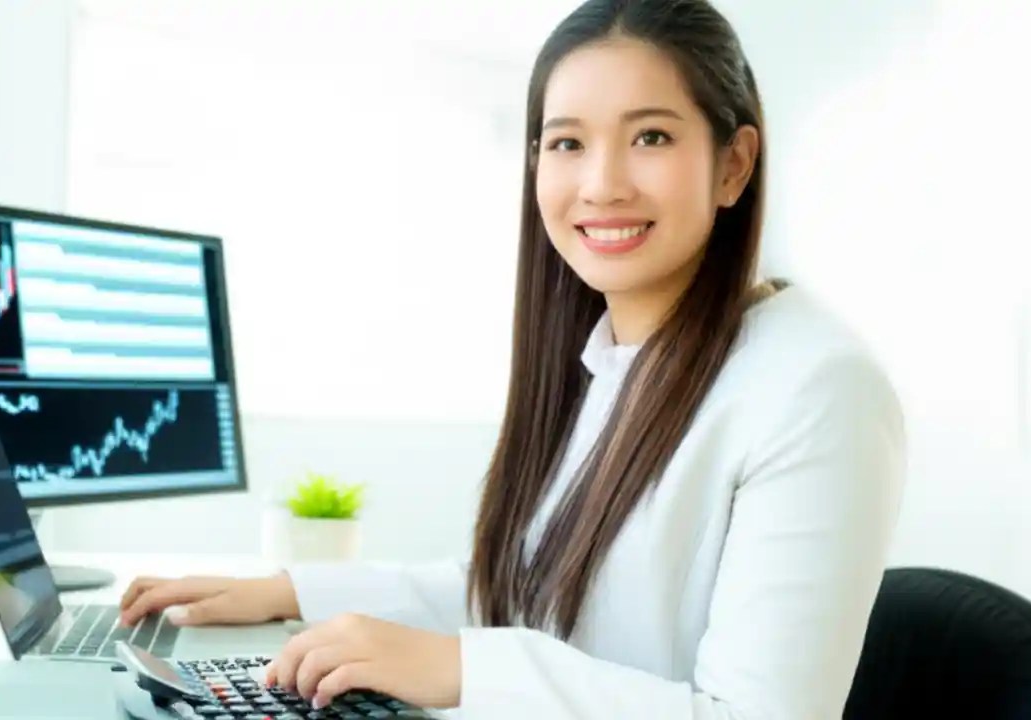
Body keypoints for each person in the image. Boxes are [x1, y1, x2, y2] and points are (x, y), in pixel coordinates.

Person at [119, 0, 906, 716]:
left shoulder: (817, 388)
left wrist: (467, 670)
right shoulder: (610, 356)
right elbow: (529, 594)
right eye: (568, 142)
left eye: (651, 137)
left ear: (733, 165)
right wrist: (289, 590)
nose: (601, 183)